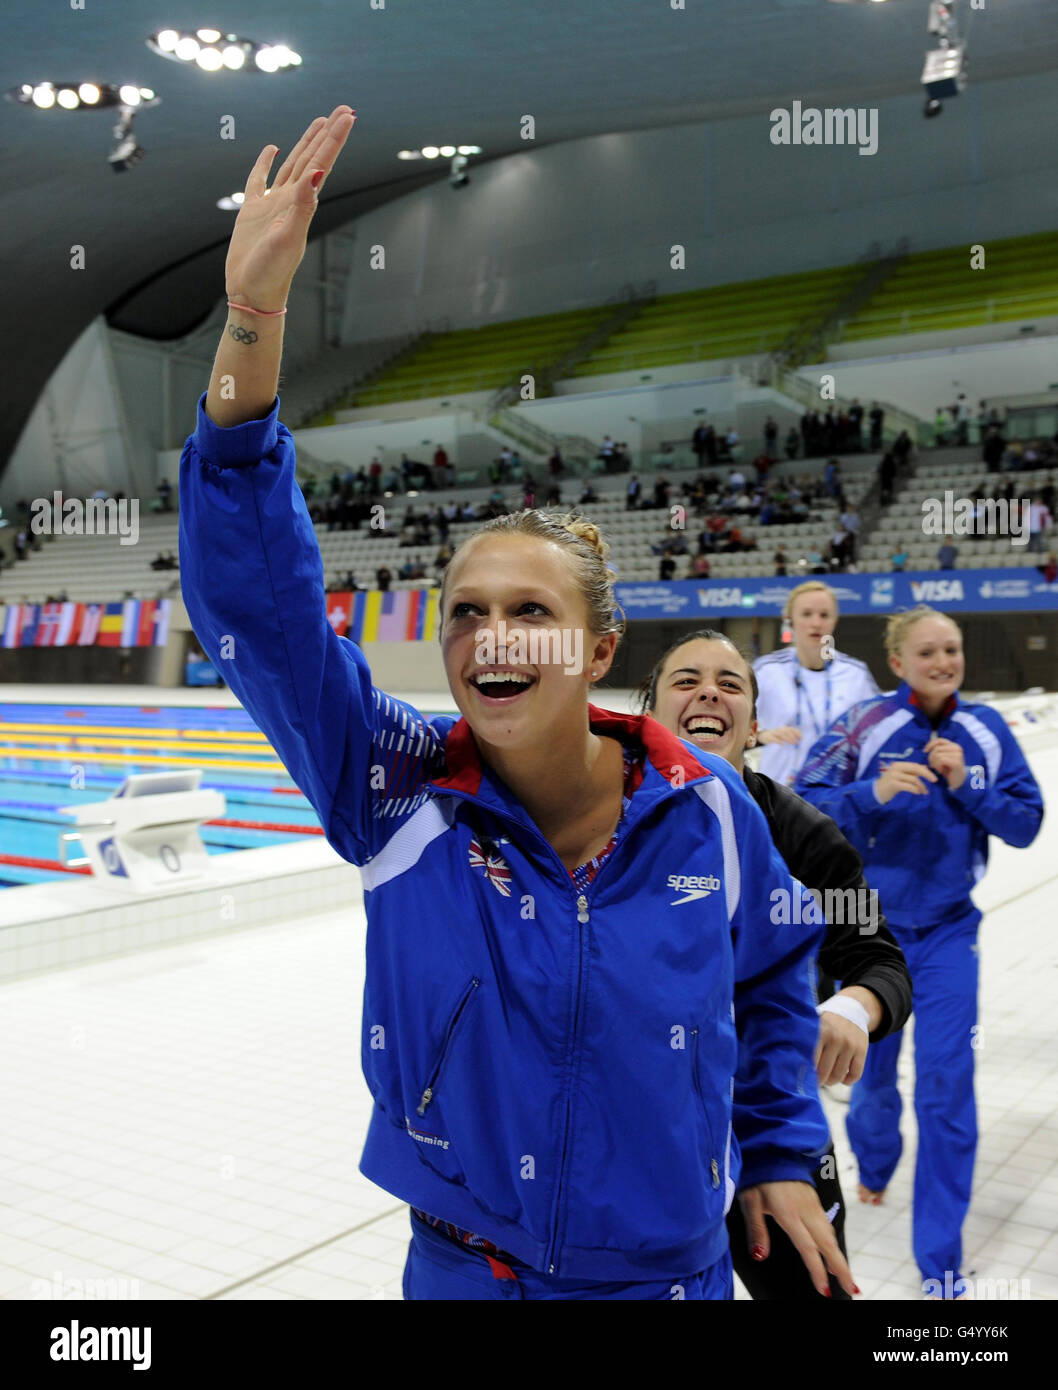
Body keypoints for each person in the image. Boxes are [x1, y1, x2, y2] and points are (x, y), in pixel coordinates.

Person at [178, 106, 854, 1302]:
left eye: (525, 612)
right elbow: (264, 611)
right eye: (464, 612)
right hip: (464, 1277)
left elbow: (765, 984)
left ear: (595, 646)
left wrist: (784, 1154)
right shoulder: (394, 790)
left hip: (668, 1279)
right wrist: (255, 320)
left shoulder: (711, 816)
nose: (489, 636)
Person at [641, 630, 912, 1301]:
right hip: (644, 1125)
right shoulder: (599, 820)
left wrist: (850, 1009)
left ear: (754, 726)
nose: (709, 690)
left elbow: (879, 961)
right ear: (647, 712)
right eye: (687, 679)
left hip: (773, 1117)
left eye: (730, 684)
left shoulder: (804, 835)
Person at [795, 607, 1043, 1296]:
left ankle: (940, 1261)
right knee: (872, 1082)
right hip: (867, 931)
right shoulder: (865, 725)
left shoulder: (987, 730)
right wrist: (868, 794)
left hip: (948, 932)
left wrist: (971, 786)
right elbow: (803, 803)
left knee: (947, 1086)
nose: (943, 661)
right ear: (897, 663)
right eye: (928, 652)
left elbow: (1026, 823)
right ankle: (874, 1164)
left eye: (953, 649)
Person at [753, 582, 879, 790]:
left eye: (824, 615)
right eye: (806, 614)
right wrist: (762, 736)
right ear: (790, 619)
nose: (816, 623)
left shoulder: (856, 674)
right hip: (780, 796)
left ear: (834, 621)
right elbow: (735, 726)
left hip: (837, 795)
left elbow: (876, 734)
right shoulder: (766, 670)